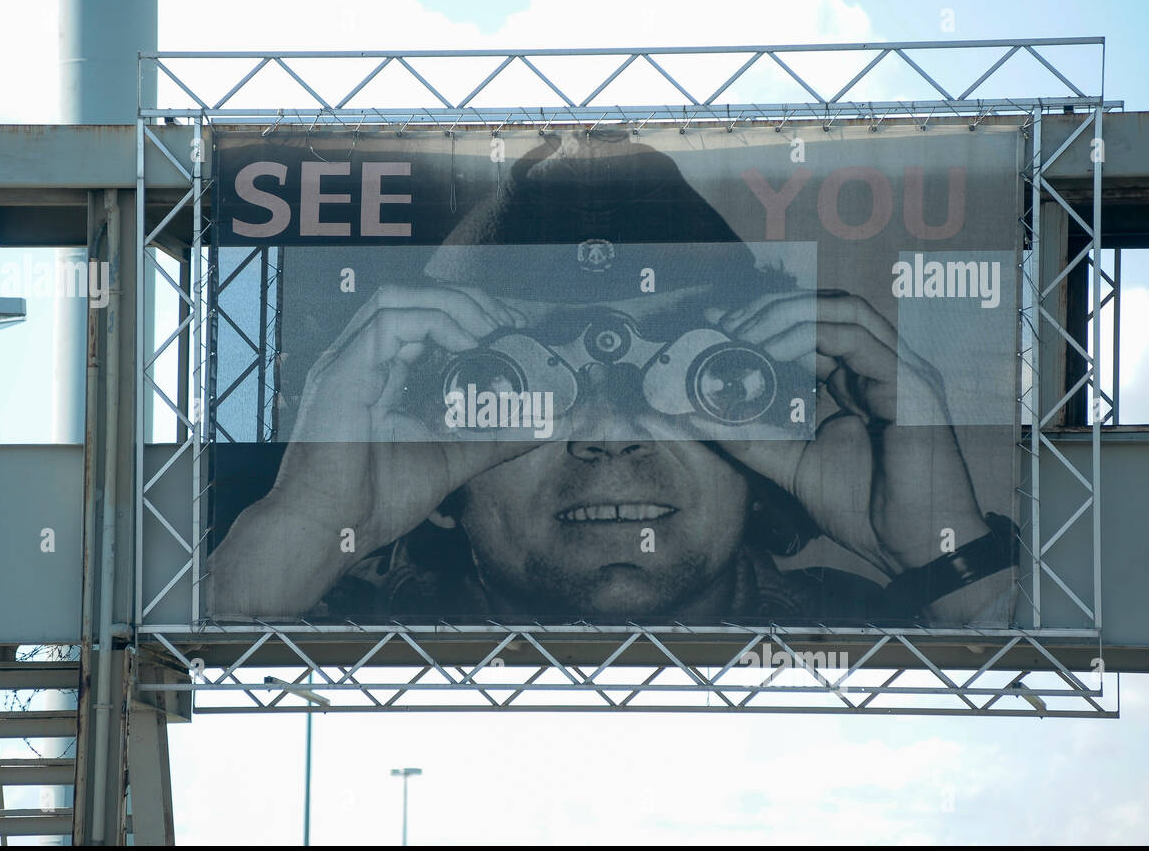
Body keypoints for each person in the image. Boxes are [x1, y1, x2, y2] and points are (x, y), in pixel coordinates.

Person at [206, 133, 1015, 627]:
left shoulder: (879, 632)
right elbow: (152, 681)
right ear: (418, 426)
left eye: (697, 376)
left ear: (774, 403)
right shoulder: (317, 630)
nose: (607, 432)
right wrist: (310, 523)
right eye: (523, 381)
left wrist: (949, 557)